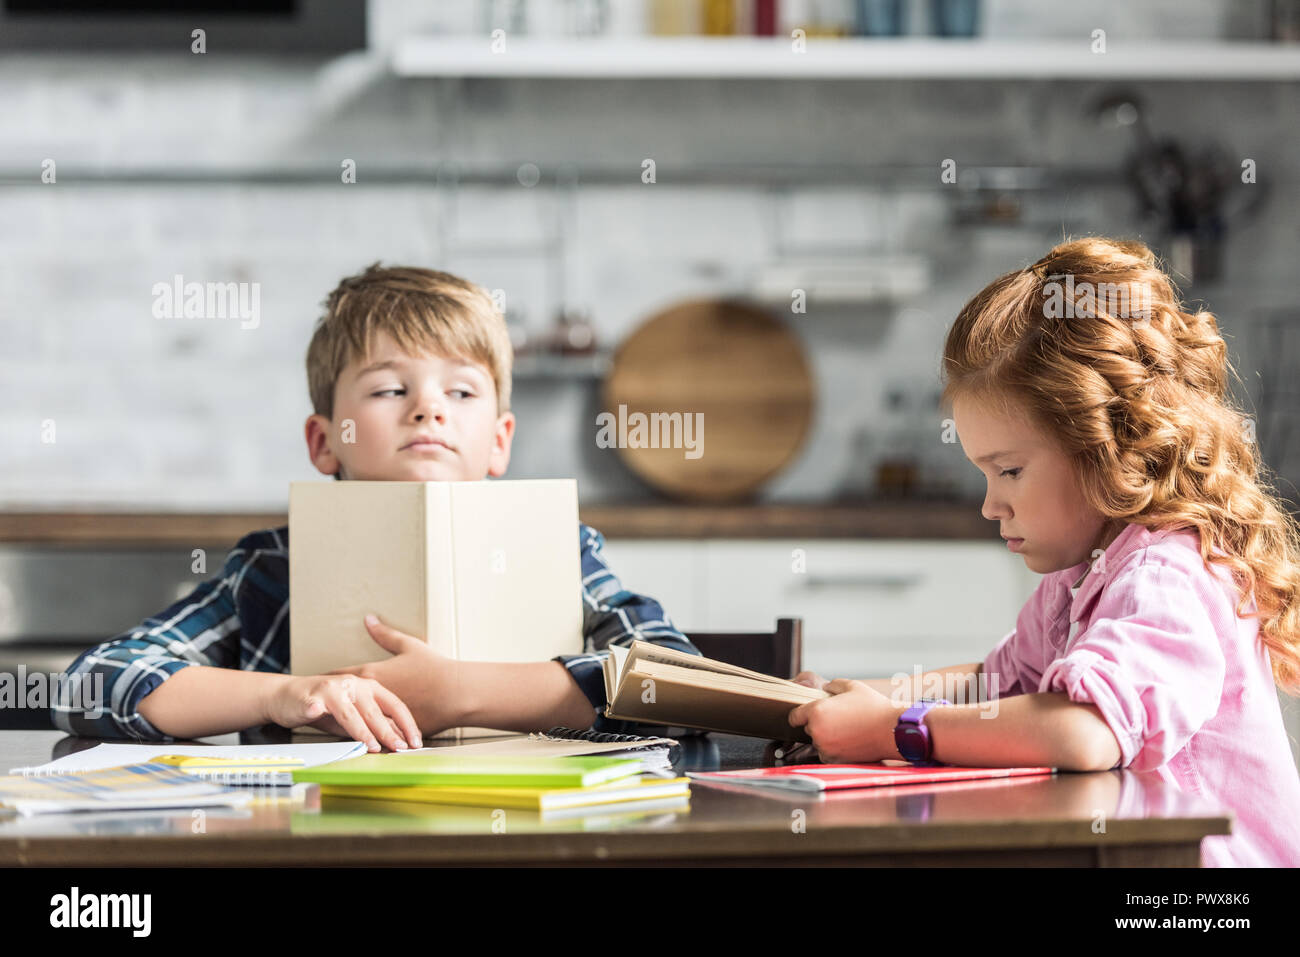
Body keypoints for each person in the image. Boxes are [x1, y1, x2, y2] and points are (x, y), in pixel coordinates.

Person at [789, 237, 1300, 867]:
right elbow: (993, 684)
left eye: (1008, 471)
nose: (990, 505)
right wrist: (845, 700)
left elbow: (1083, 732)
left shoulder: (1164, 575)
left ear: (1104, 448)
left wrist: (894, 726)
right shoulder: (1085, 574)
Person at [52, 264, 697, 751]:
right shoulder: (273, 565)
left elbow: (678, 678)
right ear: (324, 441)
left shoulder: (559, 547)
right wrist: (286, 695)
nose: (428, 408)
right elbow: (93, 683)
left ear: (500, 441)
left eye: (462, 390)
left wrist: (463, 692)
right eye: (390, 387)